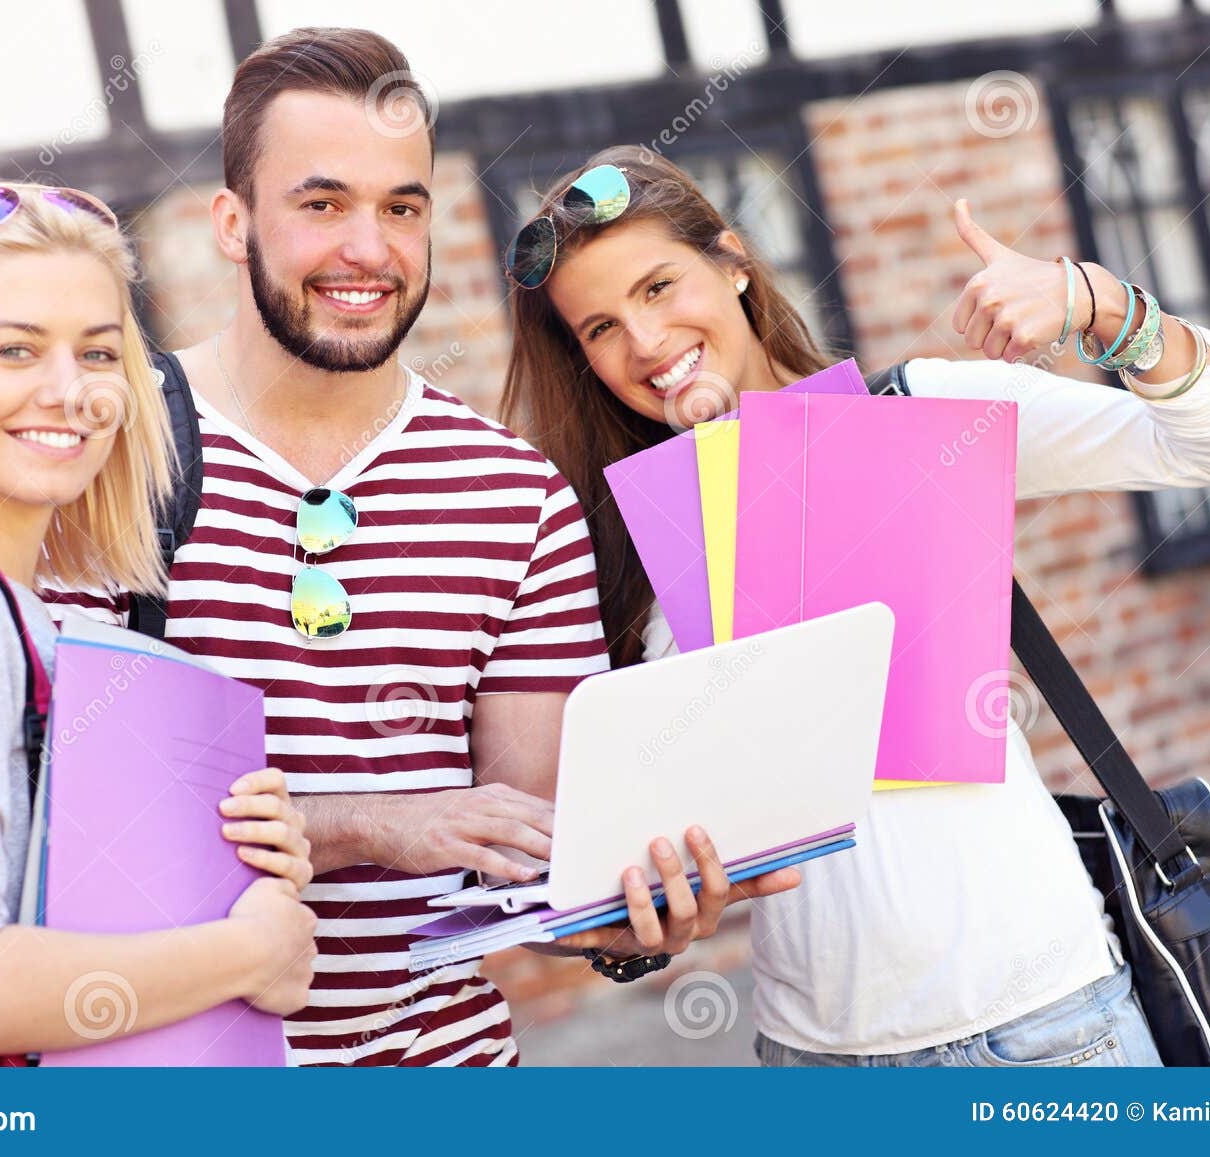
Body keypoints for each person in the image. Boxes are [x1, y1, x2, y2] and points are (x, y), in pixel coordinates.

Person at [44, 29, 794, 1066]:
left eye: (400, 206)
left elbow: (529, 863)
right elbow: (60, 821)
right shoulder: (100, 458)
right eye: (321, 205)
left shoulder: (516, 499)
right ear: (232, 222)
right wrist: (367, 823)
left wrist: (628, 922)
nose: (369, 248)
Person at [501, 145, 1210, 1067]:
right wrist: (638, 931)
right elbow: (615, 841)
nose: (643, 342)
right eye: (599, 326)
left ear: (734, 260)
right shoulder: (627, 543)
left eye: (660, 285)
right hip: (817, 1057)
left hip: (1046, 1027)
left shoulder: (918, 412)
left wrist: (1101, 304)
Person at [0, 180, 318, 1063]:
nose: (69, 392)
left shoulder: (14, 608)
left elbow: (61, 910)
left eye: (97, 355)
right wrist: (252, 952)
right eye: (16, 350)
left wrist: (229, 856)